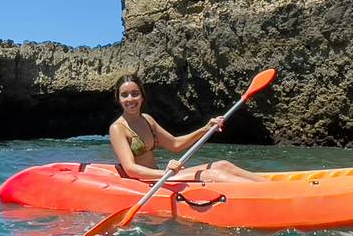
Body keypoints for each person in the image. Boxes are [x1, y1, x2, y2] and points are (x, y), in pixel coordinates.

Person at [108, 74, 268, 184]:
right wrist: (166, 173)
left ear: (142, 96)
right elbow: (131, 169)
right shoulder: (117, 128)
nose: (130, 99)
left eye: (135, 93)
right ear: (118, 98)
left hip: (162, 175)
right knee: (213, 175)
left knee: (223, 165)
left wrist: (205, 129)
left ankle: (271, 186)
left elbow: (175, 144)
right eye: (124, 95)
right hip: (147, 181)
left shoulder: (147, 120)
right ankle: (265, 192)